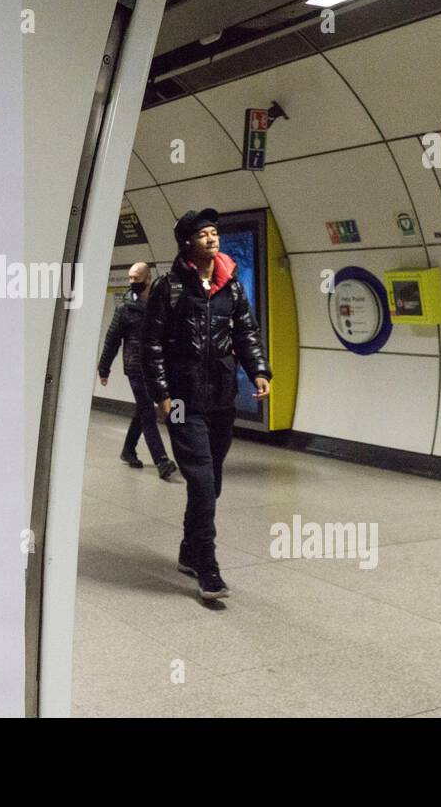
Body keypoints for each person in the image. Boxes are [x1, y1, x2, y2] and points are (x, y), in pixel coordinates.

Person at [141, 208, 271, 601]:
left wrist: (259, 370)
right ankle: (208, 567)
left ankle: (188, 549)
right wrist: (162, 394)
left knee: (210, 483)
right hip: (182, 400)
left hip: (220, 398)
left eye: (215, 233)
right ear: (187, 243)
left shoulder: (230, 285)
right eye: (204, 234)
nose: (213, 239)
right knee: (200, 480)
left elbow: (246, 330)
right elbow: (152, 345)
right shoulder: (170, 288)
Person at [98, 262, 178, 481]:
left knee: (143, 411)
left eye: (137, 278)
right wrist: (104, 368)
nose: (133, 282)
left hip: (156, 365)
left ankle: (128, 450)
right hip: (135, 367)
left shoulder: (160, 303)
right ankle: (162, 460)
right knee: (148, 412)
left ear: (148, 278)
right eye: (130, 278)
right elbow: (112, 340)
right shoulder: (124, 308)